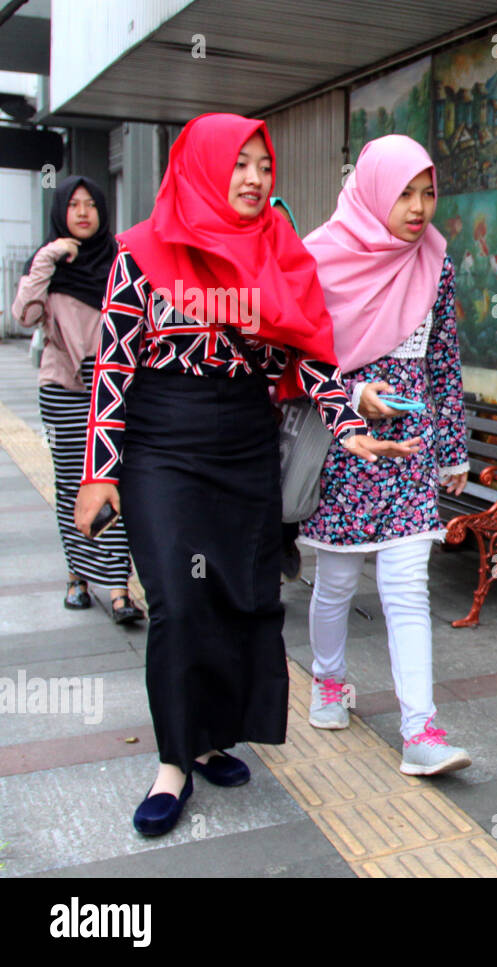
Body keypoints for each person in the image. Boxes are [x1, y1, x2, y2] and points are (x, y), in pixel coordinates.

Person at [73, 113, 420, 837]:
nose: (256, 178)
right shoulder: (141, 249)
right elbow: (113, 363)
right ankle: (173, 760)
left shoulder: (280, 248)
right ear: (202, 167)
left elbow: (310, 352)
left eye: (264, 165)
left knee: (235, 593)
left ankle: (209, 736)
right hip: (162, 443)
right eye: (239, 164)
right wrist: (99, 472)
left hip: (244, 438)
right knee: (175, 598)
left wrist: (350, 419)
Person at [299, 134, 470, 776]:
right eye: (404, 192)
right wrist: (351, 398)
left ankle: (420, 730)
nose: (419, 207)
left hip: (410, 454)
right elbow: (297, 360)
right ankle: (329, 679)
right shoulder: (319, 259)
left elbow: (444, 365)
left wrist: (451, 447)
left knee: (406, 588)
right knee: (337, 582)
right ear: (373, 190)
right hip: (343, 449)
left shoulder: (437, 264)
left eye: (428, 192)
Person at [11, 176, 141, 623]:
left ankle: (120, 587)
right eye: (73, 205)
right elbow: (23, 314)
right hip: (64, 391)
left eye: (91, 204)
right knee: (71, 484)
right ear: (60, 213)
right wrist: (48, 257)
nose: (83, 212)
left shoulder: (120, 261)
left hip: (112, 392)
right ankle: (77, 577)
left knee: (113, 485)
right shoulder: (49, 266)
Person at [269, 194, 305, 583]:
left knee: (291, 471)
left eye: (285, 225)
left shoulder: (303, 275)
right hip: (254, 404)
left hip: (295, 397)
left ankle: (285, 537)